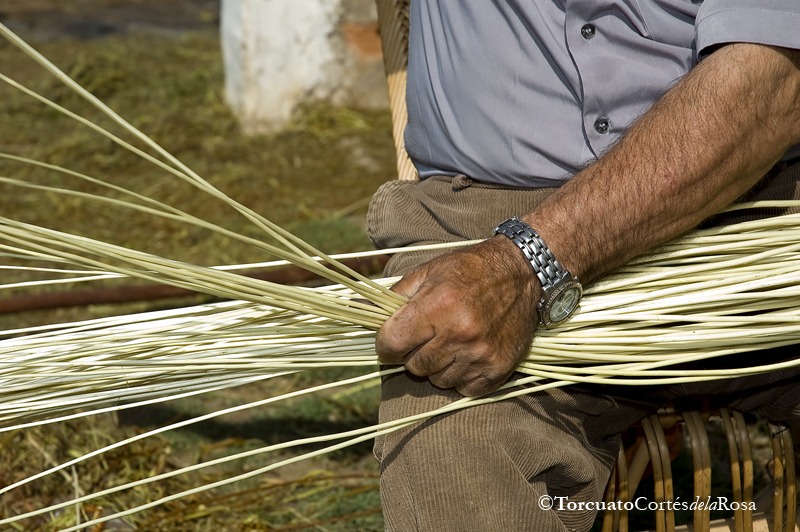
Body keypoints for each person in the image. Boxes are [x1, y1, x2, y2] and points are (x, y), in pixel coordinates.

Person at [365, 2, 800, 531]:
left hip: (754, 198)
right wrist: (510, 260)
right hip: (481, 225)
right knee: (445, 436)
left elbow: (771, 83)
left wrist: (526, 264)